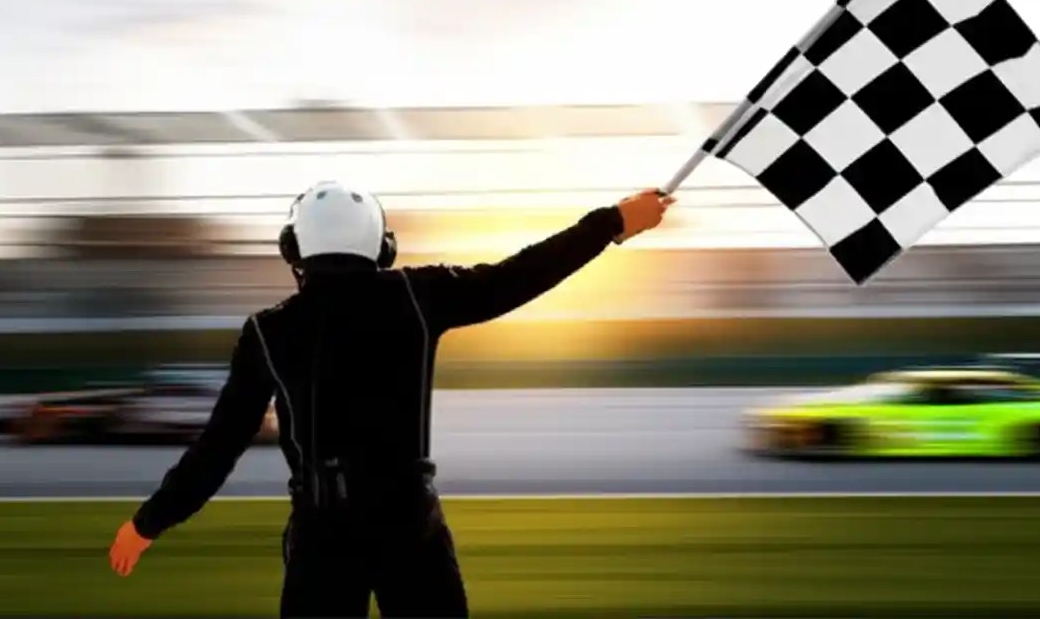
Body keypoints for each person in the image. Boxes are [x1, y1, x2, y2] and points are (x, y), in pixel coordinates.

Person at [107, 180, 673, 617]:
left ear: (294, 248)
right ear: (382, 246)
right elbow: (519, 276)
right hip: (412, 530)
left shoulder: (268, 332)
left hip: (322, 536)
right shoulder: (418, 295)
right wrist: (614, 223)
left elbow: (218, 449)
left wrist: (149, 522)